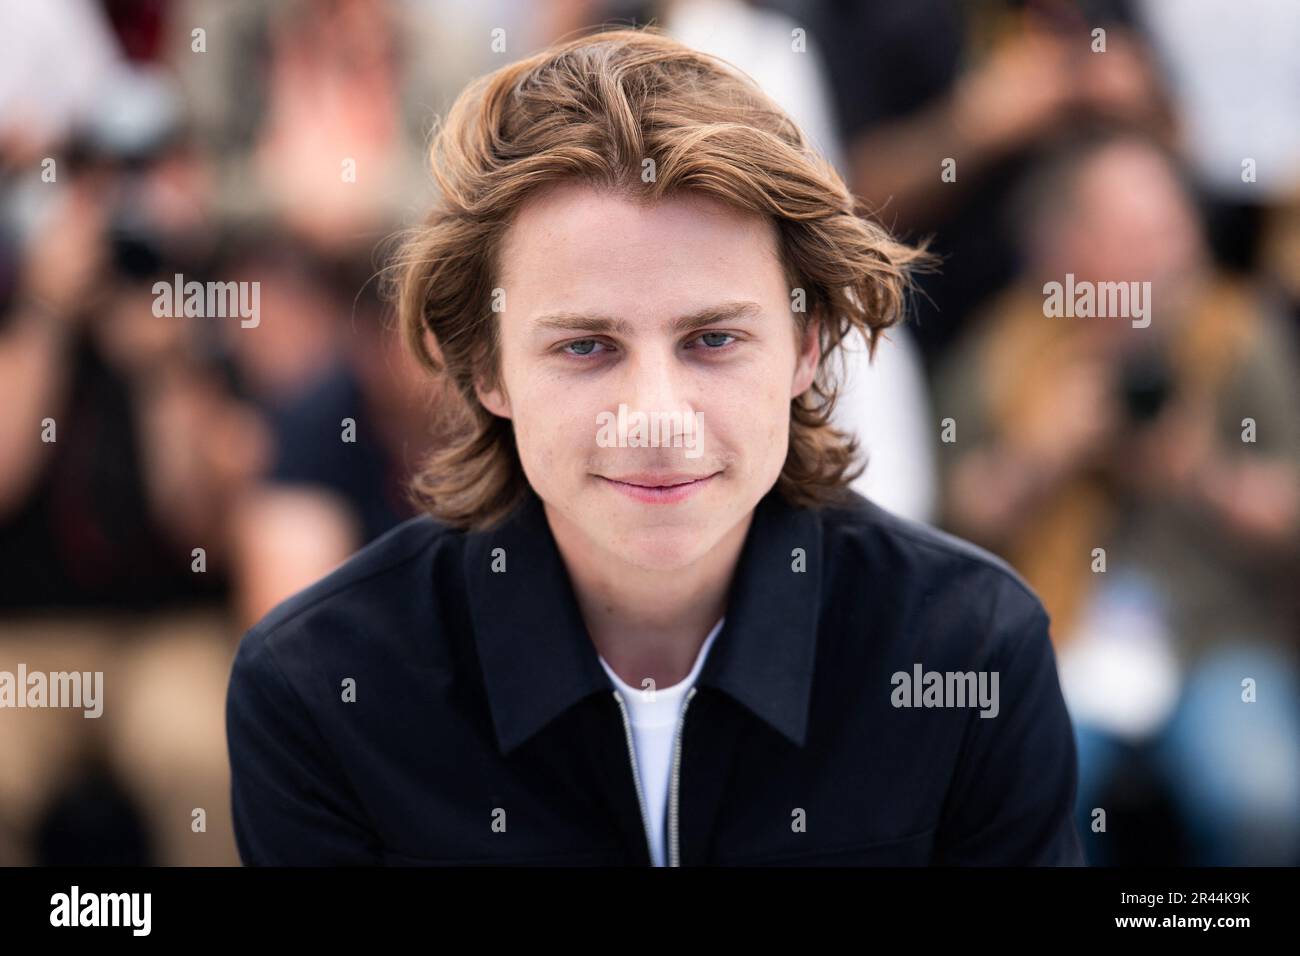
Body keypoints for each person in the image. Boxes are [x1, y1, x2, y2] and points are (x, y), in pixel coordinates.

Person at [225, 26, 1084, 866]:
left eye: (712, 339)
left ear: (808, 344)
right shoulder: (319, 689)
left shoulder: (972, 652)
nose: (655, 418)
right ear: (485, 369)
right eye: (585, 347)